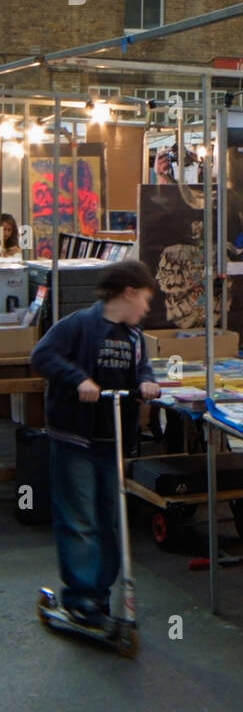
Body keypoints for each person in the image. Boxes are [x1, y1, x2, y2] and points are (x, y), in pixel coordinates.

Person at [31, 260, 161, 628]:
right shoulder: (79, 325)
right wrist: (78, 380)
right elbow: (42, 355)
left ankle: (99, 593)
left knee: (110, 517)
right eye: (145, 301)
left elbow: (142, 370)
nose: (147, 310)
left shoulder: (134, 338)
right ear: (129, 293)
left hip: (112, 439)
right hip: (75, 436)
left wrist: (148, 383)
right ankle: (81, 595)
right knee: (80, 516)